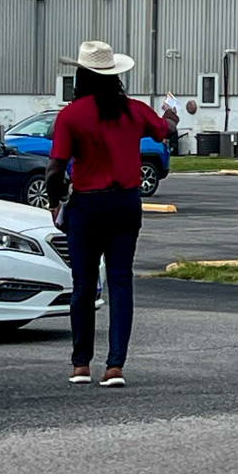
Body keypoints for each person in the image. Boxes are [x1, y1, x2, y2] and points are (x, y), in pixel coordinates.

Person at [46, 41, 179, 387]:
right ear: (115, 75)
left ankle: (80, 365)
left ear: (81, 76)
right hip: (125, 203)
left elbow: (55, 170)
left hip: (87, 206)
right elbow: (166, 130)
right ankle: (115, 366)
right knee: (120, 281)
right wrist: (171, 114)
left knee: (83, 284)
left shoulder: (70, 116)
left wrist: (54, 202)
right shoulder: (133, 110)